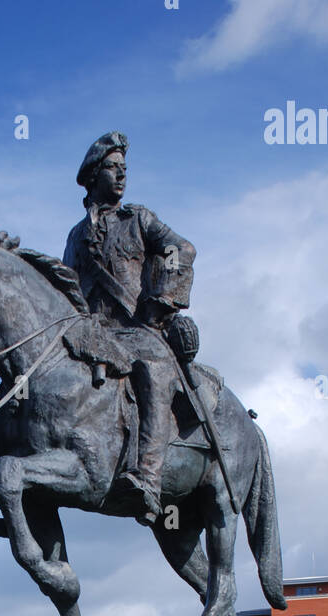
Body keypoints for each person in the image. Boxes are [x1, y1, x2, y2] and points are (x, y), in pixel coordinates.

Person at [63, 132, 198, 524]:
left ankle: (149, 478)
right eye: (113, 168)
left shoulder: (139, 218)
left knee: (153, 368)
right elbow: (68, 285)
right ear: (92, 175)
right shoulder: (75, 236)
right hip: (92, 332)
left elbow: (181, 249)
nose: (121, 175)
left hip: (137, 329)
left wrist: (161, 299)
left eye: (125, 169)